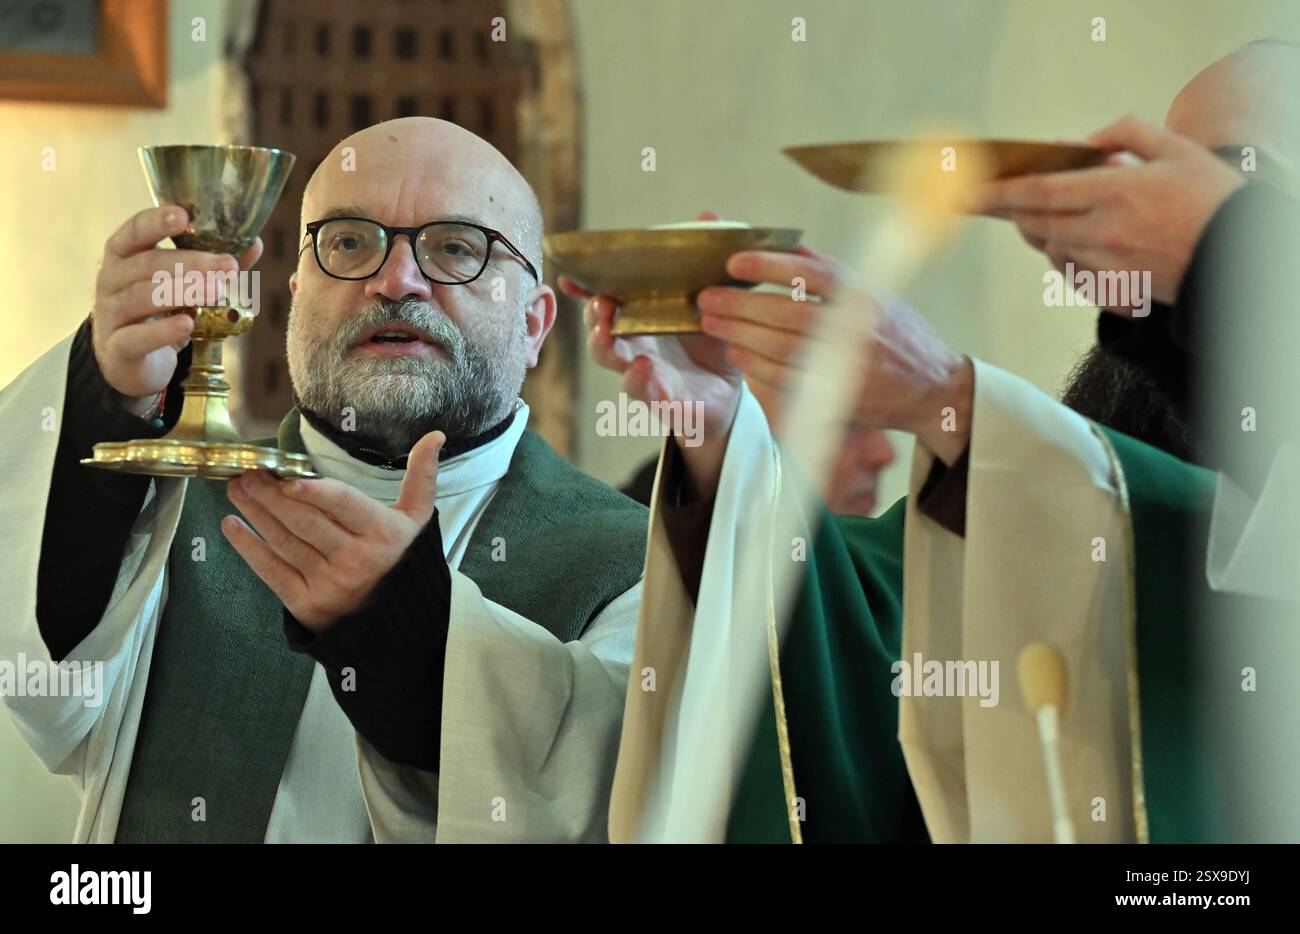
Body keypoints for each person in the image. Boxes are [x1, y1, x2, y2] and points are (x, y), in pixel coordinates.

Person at [594, 46, 1300, 842]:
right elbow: (880, 616)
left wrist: (947, 395)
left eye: (1235, 179)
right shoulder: (1099, 426)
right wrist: (725, 443)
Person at [0, 117, 647, 843]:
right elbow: (48, 694)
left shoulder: (632, 569)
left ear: (534, 325)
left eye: (457, 248)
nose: (394, 280)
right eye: (348, 241)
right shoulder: (176, 499)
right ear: (295, 291)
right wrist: (101, 395)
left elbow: (620, 804)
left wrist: (407, 637)